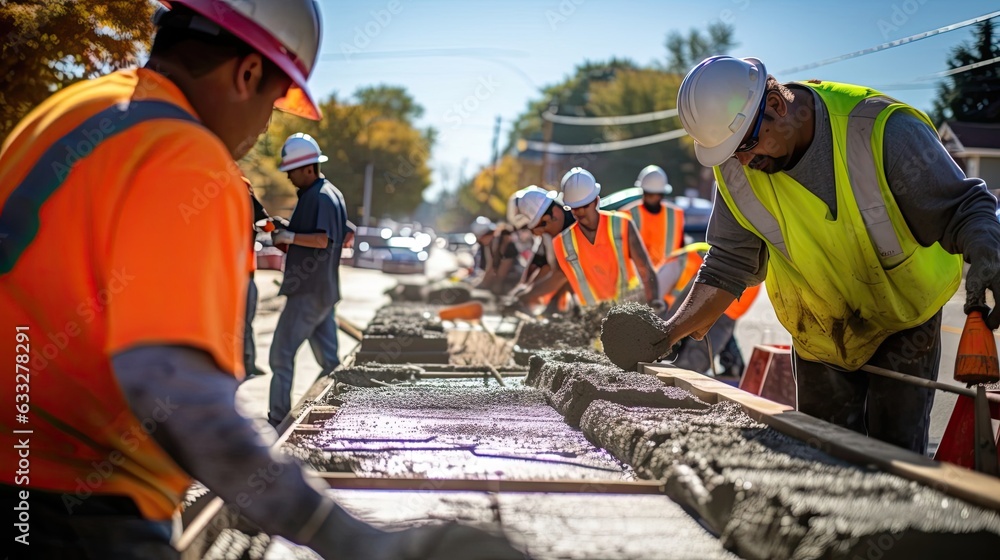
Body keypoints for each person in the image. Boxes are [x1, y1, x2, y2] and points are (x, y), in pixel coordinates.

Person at [0, 2, 521, 558]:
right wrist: (351, 540)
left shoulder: (72, 111)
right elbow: (175, 392)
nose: (268, 126)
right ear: (247, 73)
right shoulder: (188, 154)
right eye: (274, 103)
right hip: (77, 509)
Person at [666, 54, 1000, 454]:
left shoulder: (878, 130)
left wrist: (987, 249)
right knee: (819, 458)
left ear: (776, 105)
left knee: (892, 461)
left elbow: (961, 209)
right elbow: (727, 265)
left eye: (747, 145)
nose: (743, 161)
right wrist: (668, 333)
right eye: (730, 153)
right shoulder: (737, 167)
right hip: (818, 332)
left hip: (904, 322)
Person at [268, 132, 354, 426]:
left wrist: (290, 236)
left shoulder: (319, 196)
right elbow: (345, 234)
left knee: (280, 356)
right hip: (324, 292)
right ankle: (345, 410)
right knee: (330, 362)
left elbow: (322, 240)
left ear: (308, 167)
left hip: (308, 292)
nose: (289, 177)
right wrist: (288, 233)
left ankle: (278, 419)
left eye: (292, 170)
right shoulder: (330, 193)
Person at [551, 168, 660, 310]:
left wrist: (654, 301)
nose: (580, 212)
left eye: (585, 206)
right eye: (575, 208)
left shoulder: (622, 224)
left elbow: (644, 268)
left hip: (630, 310)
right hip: (593, 319)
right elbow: (562, 284)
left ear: (596, 201)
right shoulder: (563, 243)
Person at [507, 186, 577, 312]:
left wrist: (528, 295)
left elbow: (562, 274)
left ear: (555, 213)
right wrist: (525, 289)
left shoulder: (576, 229)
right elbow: (544, 265)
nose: (537, 234)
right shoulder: (550, 235)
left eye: (537, 227)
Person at [243, 175, 279, 379]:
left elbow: (266, 225)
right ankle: (245, 364)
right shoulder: (242, 185)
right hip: (241, 273)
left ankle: (245, 363)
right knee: (244, 321)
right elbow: (267, 225)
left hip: (233, 272)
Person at [621, 165, 685, 269]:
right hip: (637, 278)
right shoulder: (627, 215)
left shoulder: (676, 215)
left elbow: (681, 248)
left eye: (657, 195)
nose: (654, 198)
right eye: (651, 195)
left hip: (669, 278)